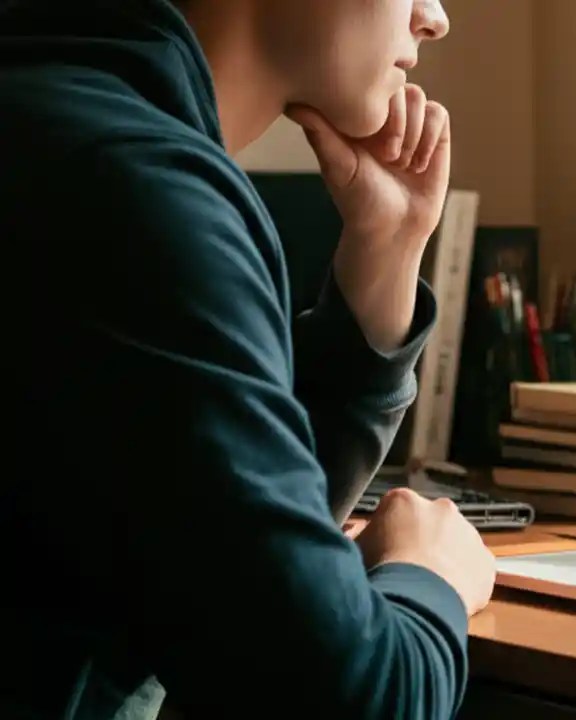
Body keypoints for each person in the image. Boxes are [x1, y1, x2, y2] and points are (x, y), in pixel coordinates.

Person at [0, 0, 496, 717]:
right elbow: (348, 697)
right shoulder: (140, 192)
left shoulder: (61, 113)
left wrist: (383, 259)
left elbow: (230, 561)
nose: (434, 16)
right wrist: (432, 575)